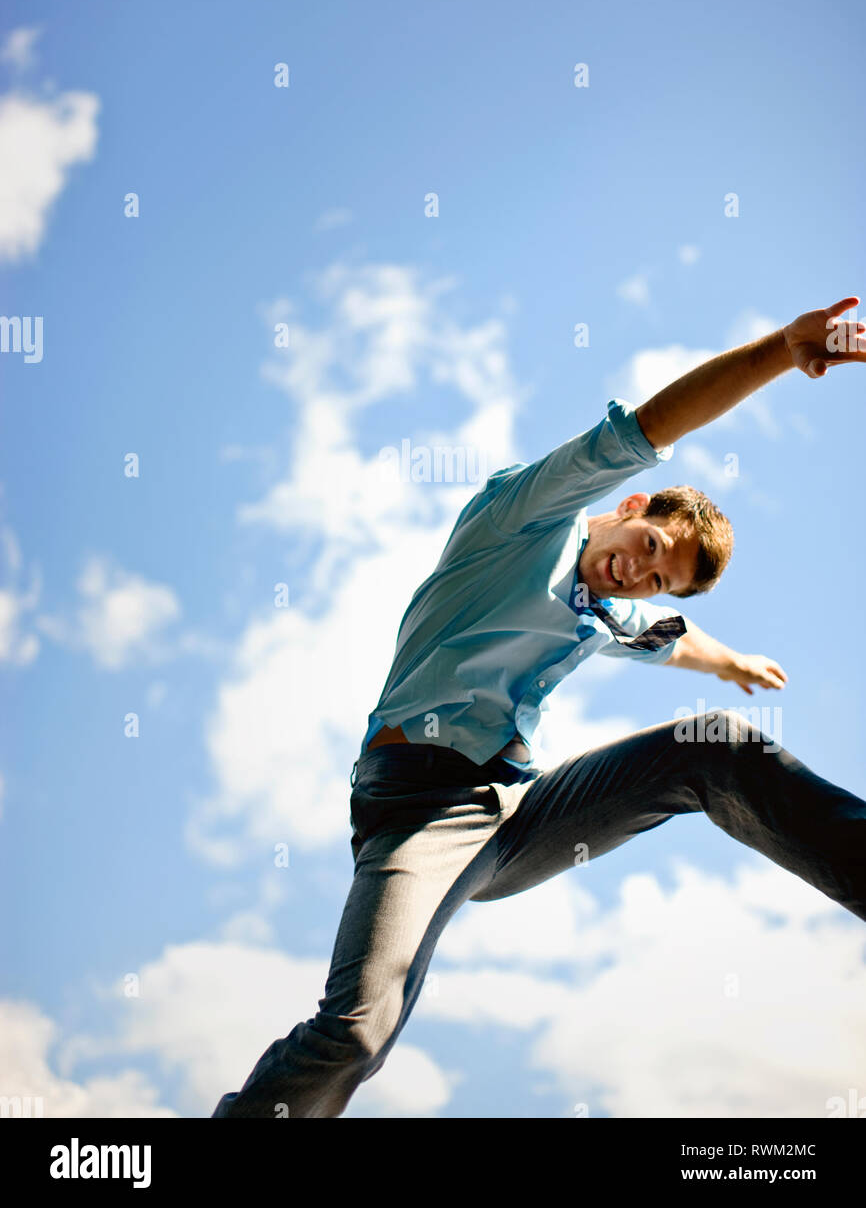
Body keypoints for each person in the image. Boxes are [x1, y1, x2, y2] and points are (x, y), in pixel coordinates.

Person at [211, 296, 866, 1119]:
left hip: (523, 812)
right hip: (421, 809)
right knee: (357, 1033)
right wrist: (779, 350)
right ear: (631, 509)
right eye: (649, 550)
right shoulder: (528, 518)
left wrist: (729, 661)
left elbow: (670, 636)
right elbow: (656, 422)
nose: (637, 574)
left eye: (657, 580)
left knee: (718, 747)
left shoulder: (615, 611)